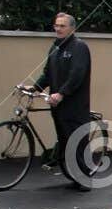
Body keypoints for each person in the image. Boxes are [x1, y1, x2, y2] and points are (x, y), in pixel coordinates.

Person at [34, 12, 94, 189]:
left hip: (74, 105)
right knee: (65, 141)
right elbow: (47, 73)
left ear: (72, 28)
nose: (58, 29)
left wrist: (61, 93)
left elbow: (77, 74)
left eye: (62, 26)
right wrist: (35, 87)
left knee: (77, 141)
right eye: (56, 25)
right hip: (58, 105)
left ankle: (85, 180)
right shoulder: (55, 48)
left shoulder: (79, 47)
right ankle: (75, 177)